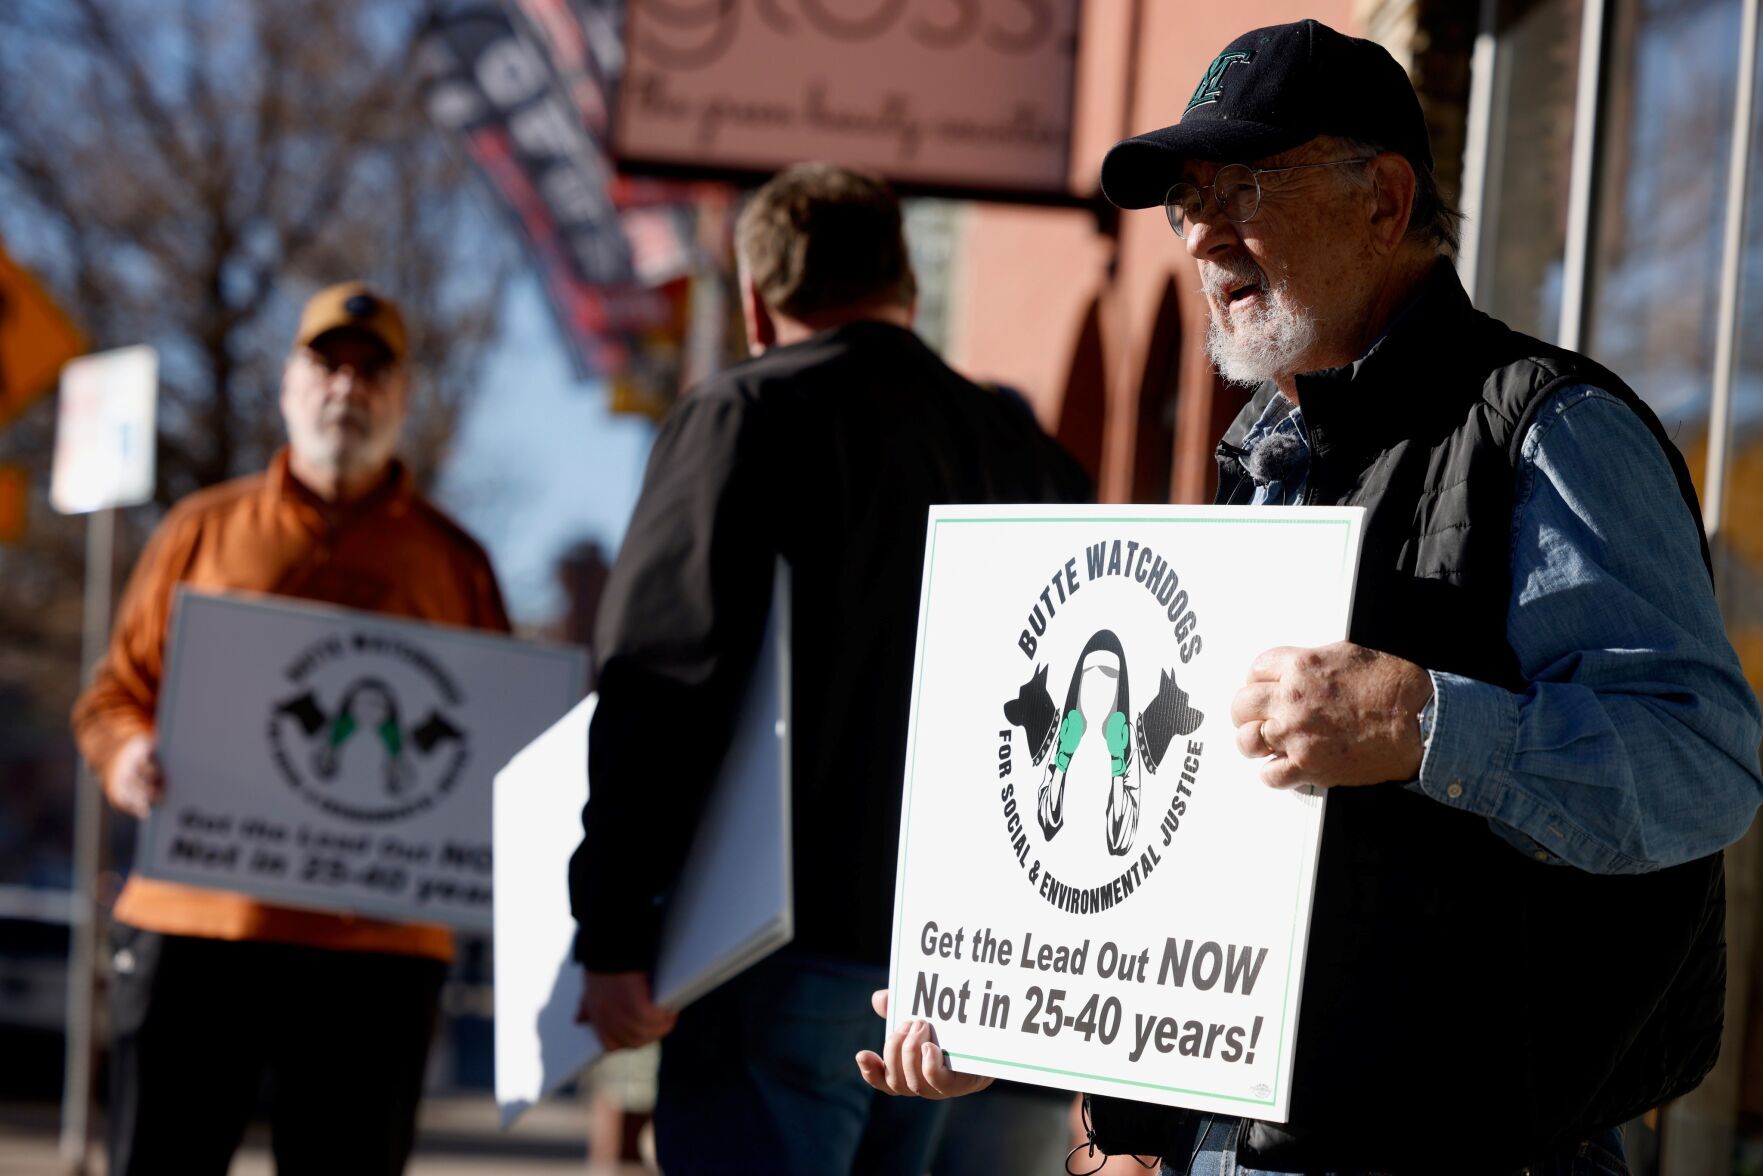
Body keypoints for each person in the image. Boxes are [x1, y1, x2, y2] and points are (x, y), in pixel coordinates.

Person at [857, 19, 1763, 1176]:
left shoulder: (1541, 430)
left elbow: (1702, 769)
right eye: (1186, 200)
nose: (1201, 237)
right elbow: (1197, 867)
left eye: (1245, 186)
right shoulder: (1268, 468)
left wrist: (1424, 724)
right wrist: (1071, 1061)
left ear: (1384, 200)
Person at [568, 163, 1092, 1174]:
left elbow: (659, 683)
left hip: (776, 956)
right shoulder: (1028, 456)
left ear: (757, 308)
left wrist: (610, 929)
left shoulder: (741, 416)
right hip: (977, 980)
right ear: (912, 289)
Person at [72, 281, 509, 1175]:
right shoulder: (202, 530)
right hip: (200, 925)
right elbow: (113, 696)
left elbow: (501, 744)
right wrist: (130, 760)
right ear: (288, 384)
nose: (346, 389)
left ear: (402, 396)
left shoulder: (454, 564)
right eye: (327, 366)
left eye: (371, 372)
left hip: (377, 951)